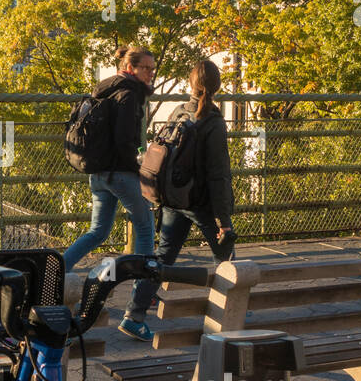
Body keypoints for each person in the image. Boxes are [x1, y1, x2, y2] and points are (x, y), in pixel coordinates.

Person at [120, 59, 236, 341]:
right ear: (217, 86)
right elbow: (218, 176)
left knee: (162, 257)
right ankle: (231, 320)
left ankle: (134, 315)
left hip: (173, 198)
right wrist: (223, 220)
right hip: (200, 203)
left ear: (190, 84)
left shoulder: (178, 112)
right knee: (228, 260)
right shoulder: (213, 122)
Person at [62, 45, 158, 275]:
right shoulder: (129, 95)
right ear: (129, 67)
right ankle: (143, 286)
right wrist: (139, 167)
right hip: (120, 174)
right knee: (145, 227)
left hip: (98, 173)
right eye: (145, 68)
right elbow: (125, 140)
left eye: (153, 69)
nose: (151, 73)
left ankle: (56, 271)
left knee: (98, 232)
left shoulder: (105, 90)